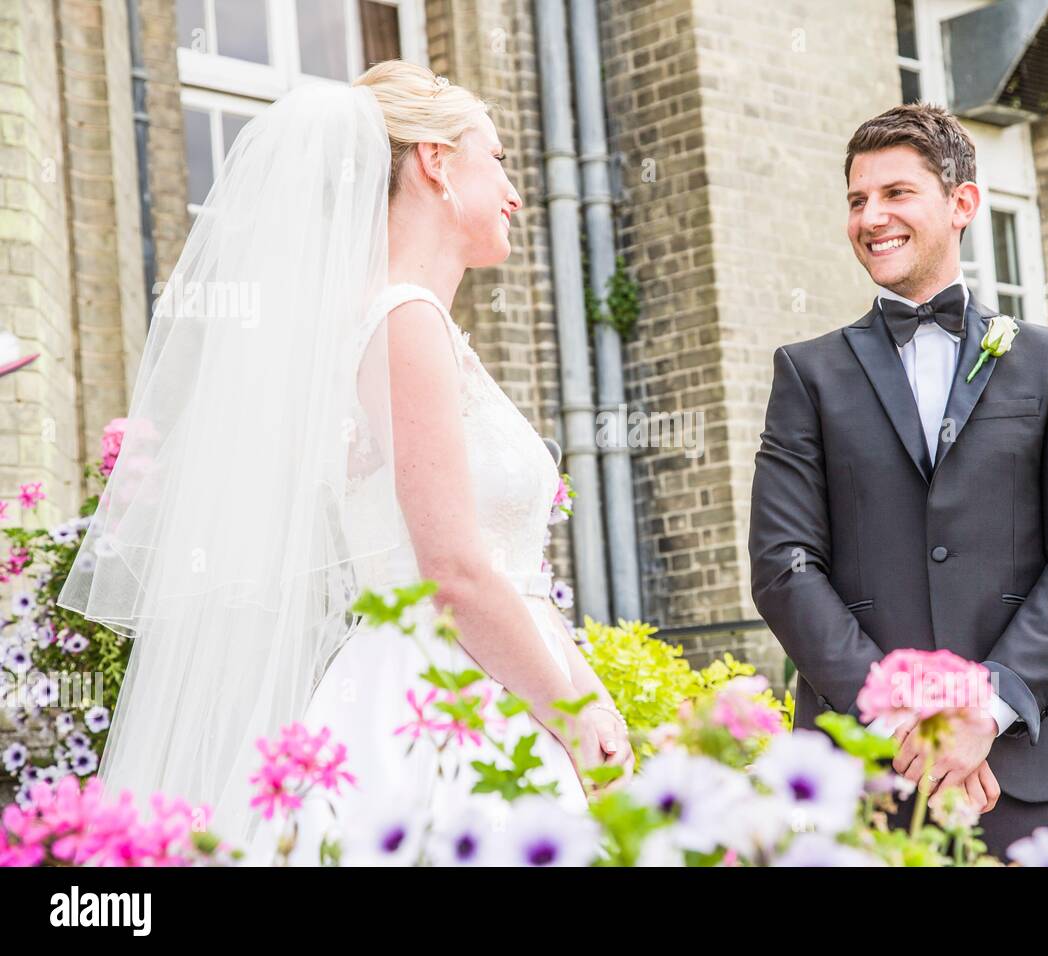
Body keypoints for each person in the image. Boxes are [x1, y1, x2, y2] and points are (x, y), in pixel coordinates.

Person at [57, 61, 632, 862]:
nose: (512, 188)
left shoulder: (415, 326)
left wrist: (584, 698)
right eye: (495, 157)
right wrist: (571, 712)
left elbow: (514, 575)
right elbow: (454, 571)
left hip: (502, 683)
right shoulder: (403, 322)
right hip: (441, 702)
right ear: (435, 161)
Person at [748, 102, 1048, 861]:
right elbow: (783, 567)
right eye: (857, 200)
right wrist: (900, 722)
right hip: (865, 776)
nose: (870, 217)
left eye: (895, 193)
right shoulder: (806, 374)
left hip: (1029, 776)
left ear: (962, 203)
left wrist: (983, 712)